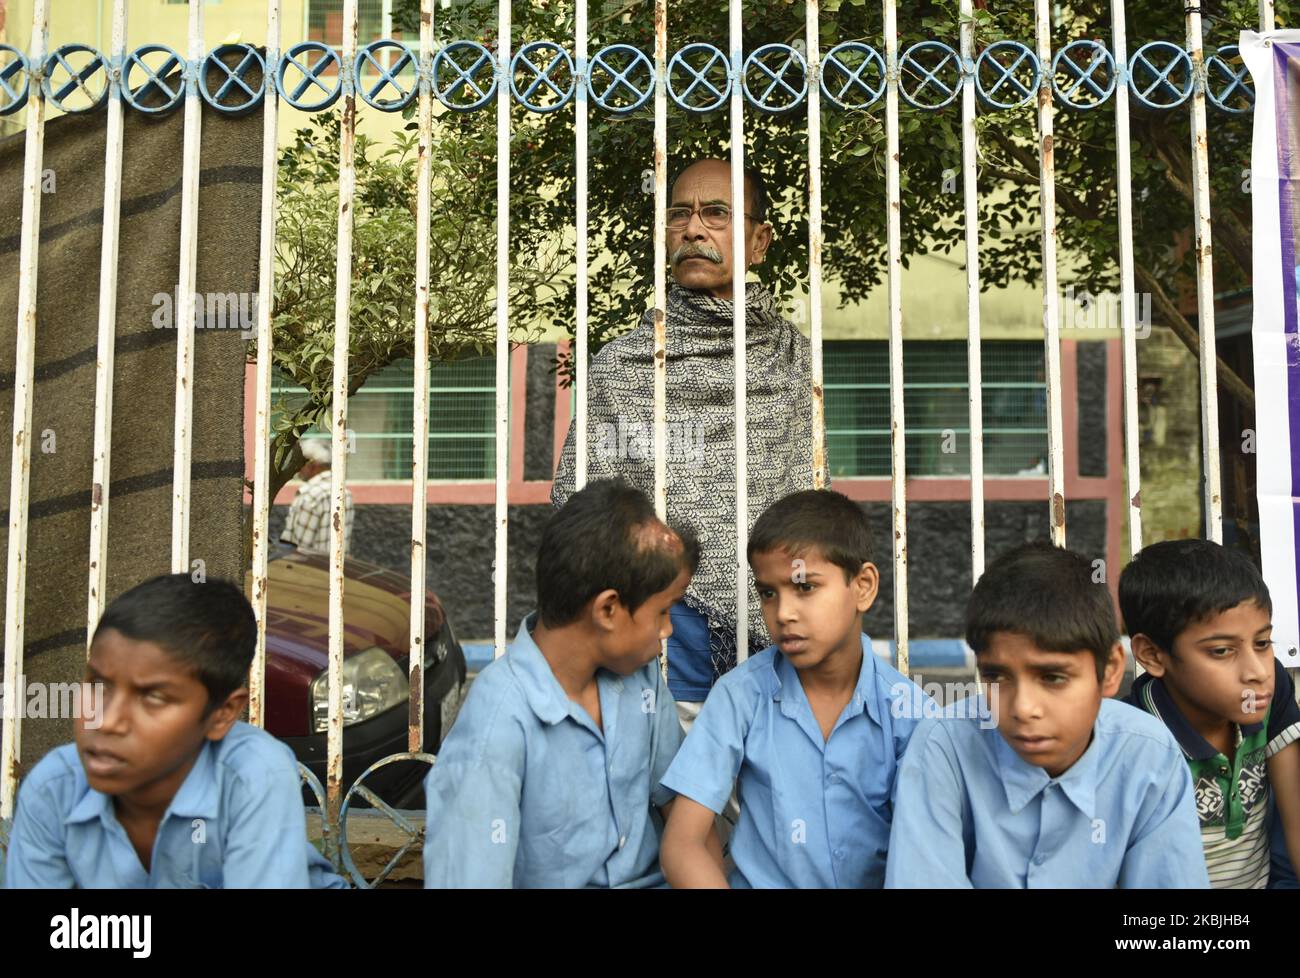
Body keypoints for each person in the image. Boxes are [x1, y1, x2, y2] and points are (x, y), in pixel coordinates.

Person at [551, 158, 822, 728]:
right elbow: (577, 510)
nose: (694, 229)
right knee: (666, 799)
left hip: (775, 628)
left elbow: (808, 497)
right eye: (680, 214)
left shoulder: (794, 361)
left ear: (758, 241)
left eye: (718, 214)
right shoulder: (623, 365)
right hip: (661, 638)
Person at [423, 478, 714, 887]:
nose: (667, 631)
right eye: (663, 612)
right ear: (609, 609)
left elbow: (680, 810)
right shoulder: (498, 722)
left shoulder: (641, 679)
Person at [885, 541, 1209, 888]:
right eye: (996, 676)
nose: (1023, 708)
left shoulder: (1148, 755)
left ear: (1112, 669)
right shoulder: (944, 746)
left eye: (1053, 677)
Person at [3, 575, 345, 888]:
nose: (106, 721)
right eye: (98, 686)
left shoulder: (252, 774)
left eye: (153, 697)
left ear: (222, 715)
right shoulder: (53, 788)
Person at [659, 489, 923, 888]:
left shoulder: (910, 714)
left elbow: (924, 857)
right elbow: (683, 845)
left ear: (864, 587)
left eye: (805, 588)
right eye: (768, 593)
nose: (783, 613)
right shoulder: (740, 697)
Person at [1119, 539, 1300, 888]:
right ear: (1153, 655)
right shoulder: (1131, 739)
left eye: (1262, 643)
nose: (1257, 671)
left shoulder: (1269, 691)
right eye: (1221, 650)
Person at [281, 437, 352, 556]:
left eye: (300, 462)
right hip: (336, 567)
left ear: (313, 464)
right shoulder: (345, 492)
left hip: (310, 570)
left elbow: (298, 546)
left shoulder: (309, 494)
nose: (297, 468)